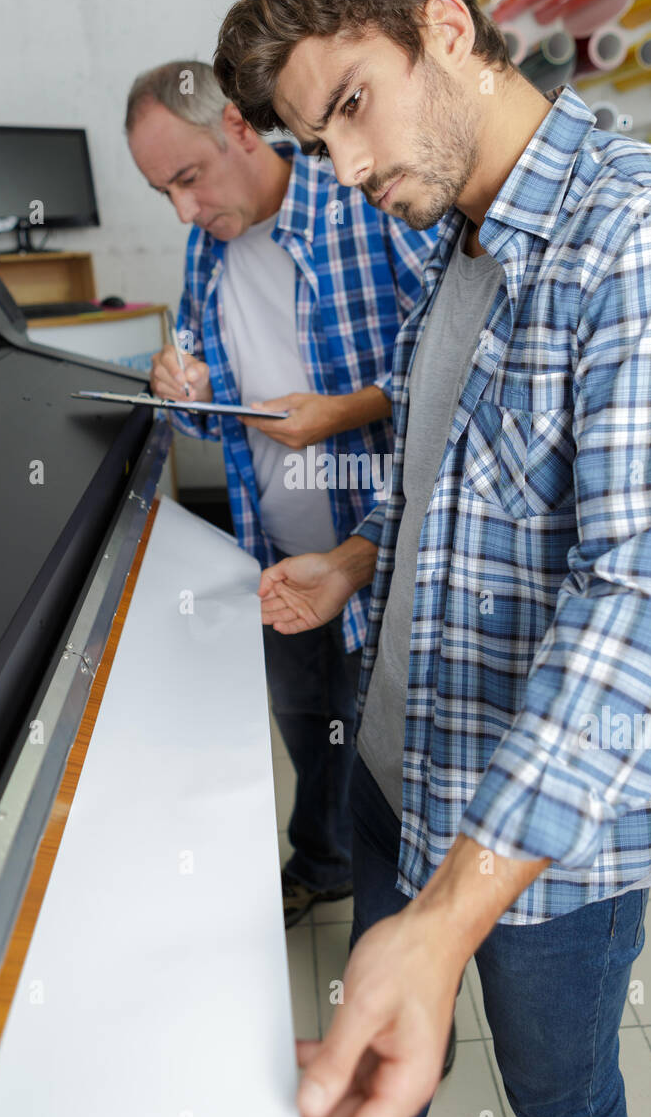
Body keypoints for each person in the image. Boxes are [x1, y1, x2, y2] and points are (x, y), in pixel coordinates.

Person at [212, 0, 651, 1117]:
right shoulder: (452, 241)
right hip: (387, 766)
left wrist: (452, 915)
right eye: (316, 140)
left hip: (536, 858)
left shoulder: (645, 229)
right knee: (382, 1068)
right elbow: (442, 496)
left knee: (559, 1098)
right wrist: (358, 562)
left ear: (445, 27)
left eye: (349, 104)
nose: (343, 170)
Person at [125, 59, 439, 928]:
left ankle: (394, 956)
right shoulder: (207, 245)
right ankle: (324, 860)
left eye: (188, 178)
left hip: (375, 550)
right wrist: (183, 390)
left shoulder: (362, 202)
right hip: (276, 551)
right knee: (310, 726)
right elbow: (216, 418)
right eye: (164, 192)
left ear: (234, 126)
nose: (185, 210)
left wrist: (338, 414)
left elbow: (454, 358)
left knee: (391, 766)